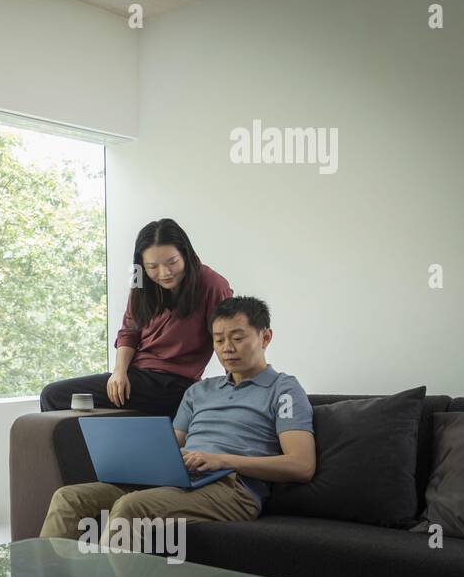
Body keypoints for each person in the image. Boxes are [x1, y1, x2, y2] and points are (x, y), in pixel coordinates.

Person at [38, 295, 317, 549]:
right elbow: (172, 445)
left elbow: (301, 465)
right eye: (219, 340)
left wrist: (222, 461)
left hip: (235, 489)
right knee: (69, 498)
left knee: (131, 508)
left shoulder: (284, 390)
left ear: (265, 337)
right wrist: (130, 458)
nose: (227, 348)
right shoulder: (199, 391)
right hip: (182, 480)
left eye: (238, 338)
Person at [40, 218, 232, 418]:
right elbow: (129, 332)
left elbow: (224, 338)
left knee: (54, 395)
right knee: (54, 395)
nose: (164, 273)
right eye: (152, 266)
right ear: (142, 264)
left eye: (172, 262)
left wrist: (236, 390)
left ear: (186, 254)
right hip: (138, 377)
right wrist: (119, 372)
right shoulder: (140, 280)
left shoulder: (213, 285)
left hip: (173, 384)